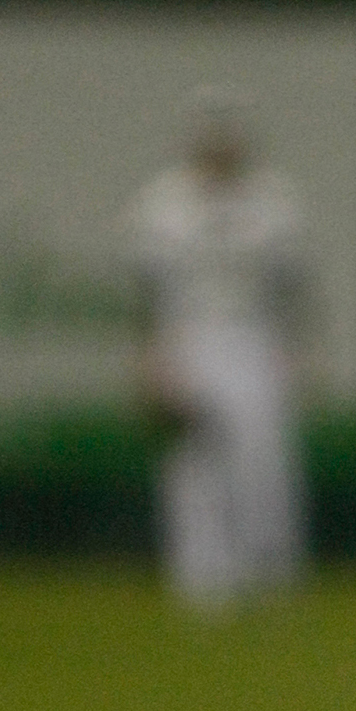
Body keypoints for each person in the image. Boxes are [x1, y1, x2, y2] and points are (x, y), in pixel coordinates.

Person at [132, 88, 308, 611]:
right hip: (189, 336)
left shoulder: (274, 202)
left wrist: (295, 348)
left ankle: (269, 568)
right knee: (192, 462)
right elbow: (147, 289)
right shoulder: (162, 205)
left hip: (254, 336)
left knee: (263, 459)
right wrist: (152, 358)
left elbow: (292, 286)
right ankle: (202, 575)